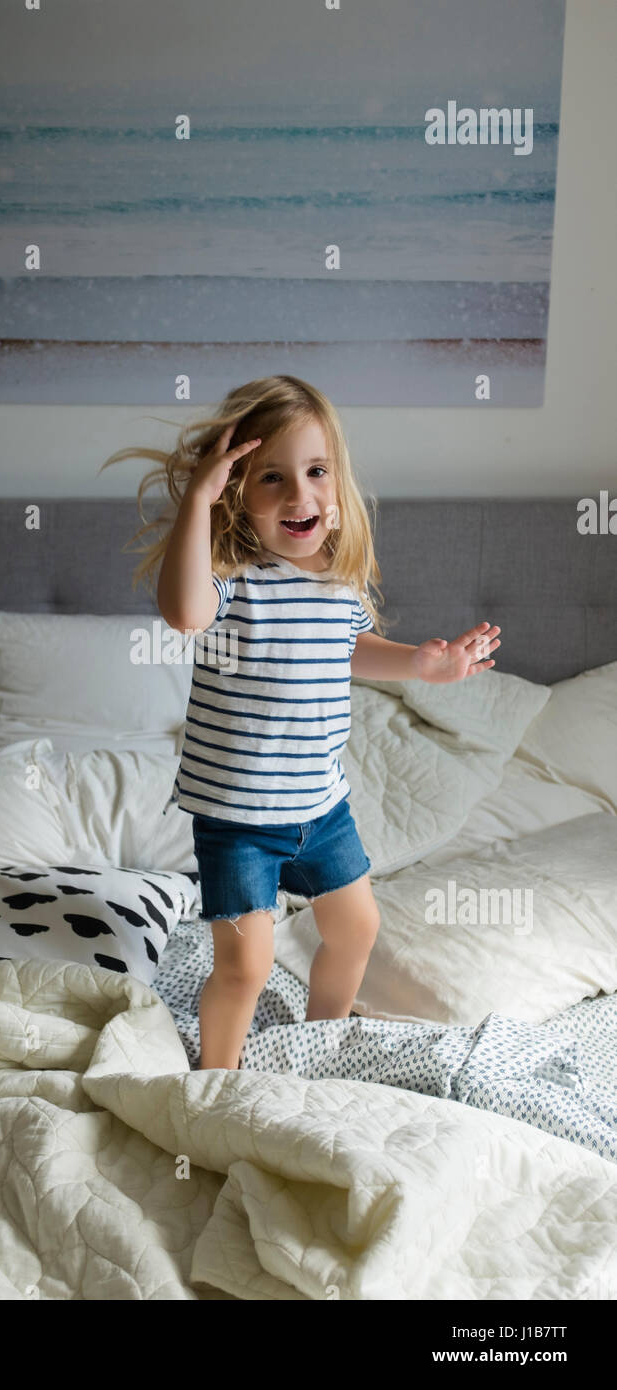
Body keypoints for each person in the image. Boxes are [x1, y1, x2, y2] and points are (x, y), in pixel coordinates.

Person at [101, 375, 501, 1070]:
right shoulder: (234, 579)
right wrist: (196, 499)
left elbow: (348, 648)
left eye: (317, 472)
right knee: (246, 967)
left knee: (357, 929)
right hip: (238, 819)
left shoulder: (337, 583)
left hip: (321, 807)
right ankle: (215, 1081)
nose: (299, 495)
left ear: (338, 484)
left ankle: (319, 1044)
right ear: (236, 492)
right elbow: (184, 612)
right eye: (272, 478)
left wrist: (421, 664)